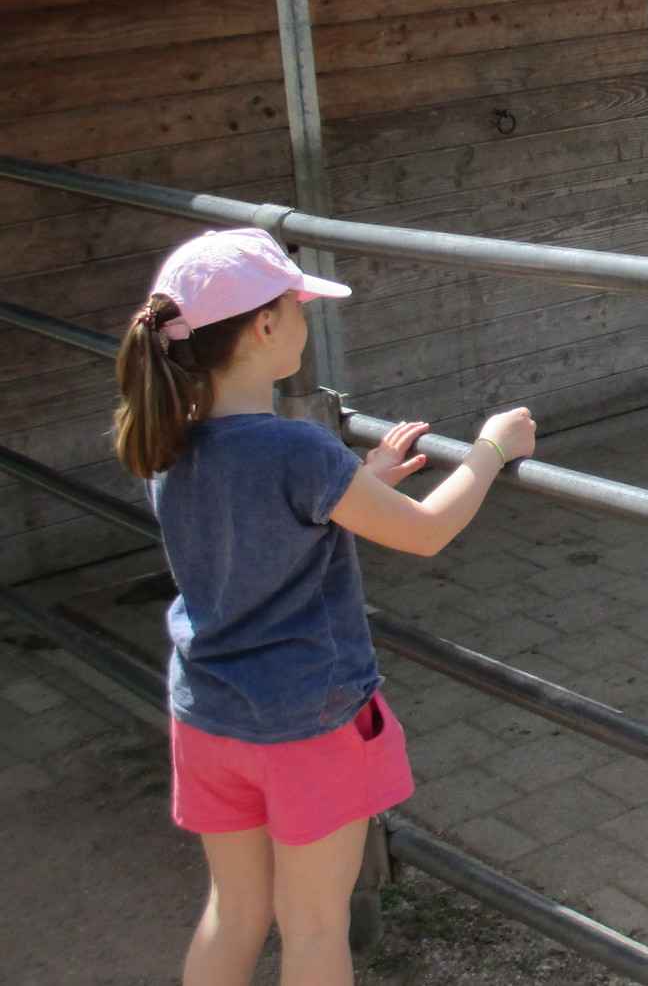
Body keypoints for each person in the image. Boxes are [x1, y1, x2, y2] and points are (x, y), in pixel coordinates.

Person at [113, 227, 536, 986]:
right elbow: (430, 532)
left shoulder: (165, 442)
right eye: (298, 308)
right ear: (265, 327)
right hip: (307, 721)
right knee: (313, 928)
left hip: (207, 715)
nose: (307, 324)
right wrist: (490, 452)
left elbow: (259, 524)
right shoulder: (297, 453)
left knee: (234, 911)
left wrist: (358, 481)